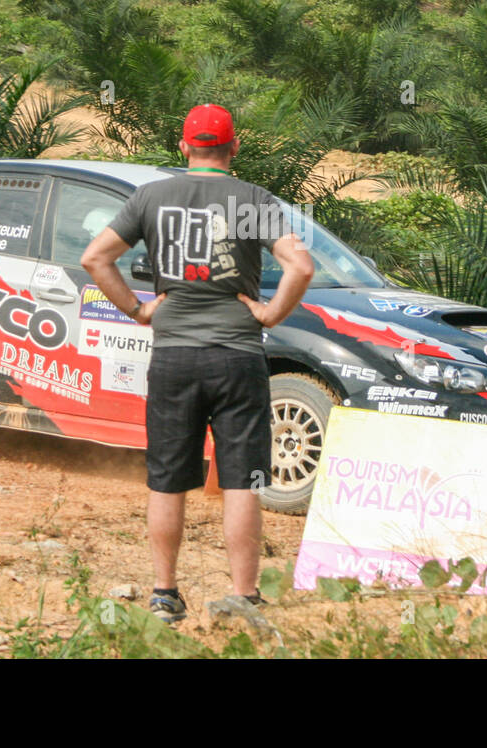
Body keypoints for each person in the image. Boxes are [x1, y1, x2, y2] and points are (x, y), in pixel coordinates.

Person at [81, 103, 315, 624]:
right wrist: (269, 313)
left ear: (184, 147)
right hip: (237, 357)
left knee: (167, 479)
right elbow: (300, 265)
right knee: (242, 480)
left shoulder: (151, 197)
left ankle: (164, 594)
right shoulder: (253, 200)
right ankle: (244, 598)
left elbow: (95, 258)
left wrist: (140, 310)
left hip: (173, 358)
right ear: (234, 148)